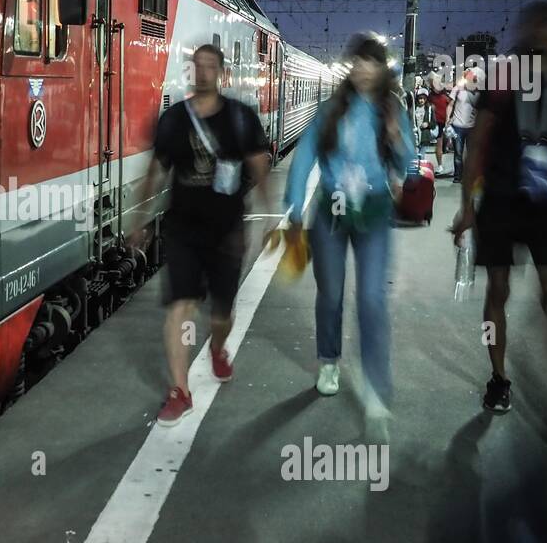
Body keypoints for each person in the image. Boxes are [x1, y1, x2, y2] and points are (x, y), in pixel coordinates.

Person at [451, 2, 547, 417]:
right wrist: (467, 206)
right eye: (542, 25)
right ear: (528, 28)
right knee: (497, 291)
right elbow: (478, 142)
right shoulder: (504, 76)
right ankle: (499, 378)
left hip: (541, 204)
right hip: (501, 200)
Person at [284, 32, 414, 437]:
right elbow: (305, 154)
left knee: (373, 299)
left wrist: (397, 141)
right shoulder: (330, 110)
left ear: (381, 70)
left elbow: (409, 160)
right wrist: (292, 207)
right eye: (356, 61)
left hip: (374, 213)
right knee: (332, 293)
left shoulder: (393, 110)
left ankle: (376, 387)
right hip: (331, 214)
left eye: (370, 61)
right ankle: (329, 360)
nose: (361, 68)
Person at [142, 44, 272, 426]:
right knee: (180, 308)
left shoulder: (240, 118)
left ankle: (217, 346)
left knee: (221, 313)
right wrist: (140, 218)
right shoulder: (173, 120)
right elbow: (156, 169)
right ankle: (179, 391)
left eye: (210, 66)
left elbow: (259, 166)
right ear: (191, 71)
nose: (202, 73)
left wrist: (271, 217)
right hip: (182, 229)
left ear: (221, 73)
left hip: (226, 231)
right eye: (197, 66)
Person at [449, 65, 479, 183]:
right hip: (458, 126)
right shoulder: (457, 89)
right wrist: (448, 118)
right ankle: (458, 176)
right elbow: (450, 104)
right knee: (458, 153)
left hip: (472, 127)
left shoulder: (478, 92)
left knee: (471, 154)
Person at [430, 74, 452, 175]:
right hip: (437, 123)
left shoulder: (446, 97)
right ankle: (440, 165)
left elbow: (452, 108)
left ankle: (457, 167)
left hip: (447, 123)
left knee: (449, 142)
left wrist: (450, 120)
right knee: (439, 144)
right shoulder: (430, 97)